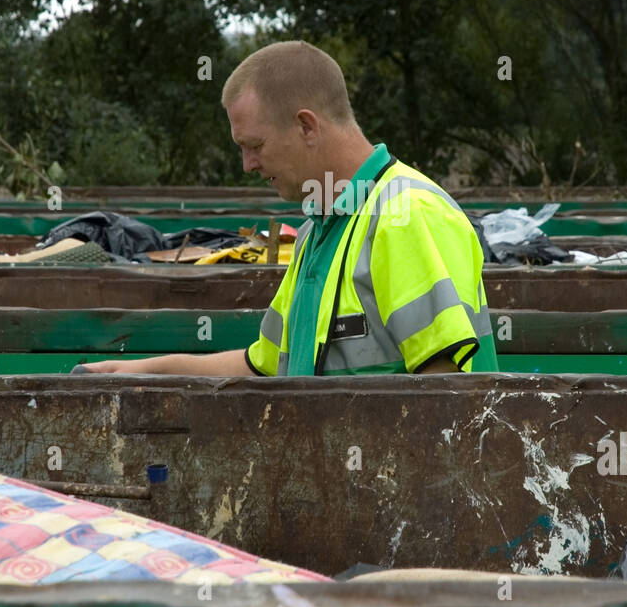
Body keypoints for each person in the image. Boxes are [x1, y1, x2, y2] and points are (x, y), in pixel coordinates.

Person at [79, 40, 497, 376]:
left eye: (254, 146)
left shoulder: (406, 215)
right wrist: (138, 370)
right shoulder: (318, 233)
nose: (248, 165)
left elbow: (448, 400)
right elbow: (261, 365)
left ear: (306, 126)